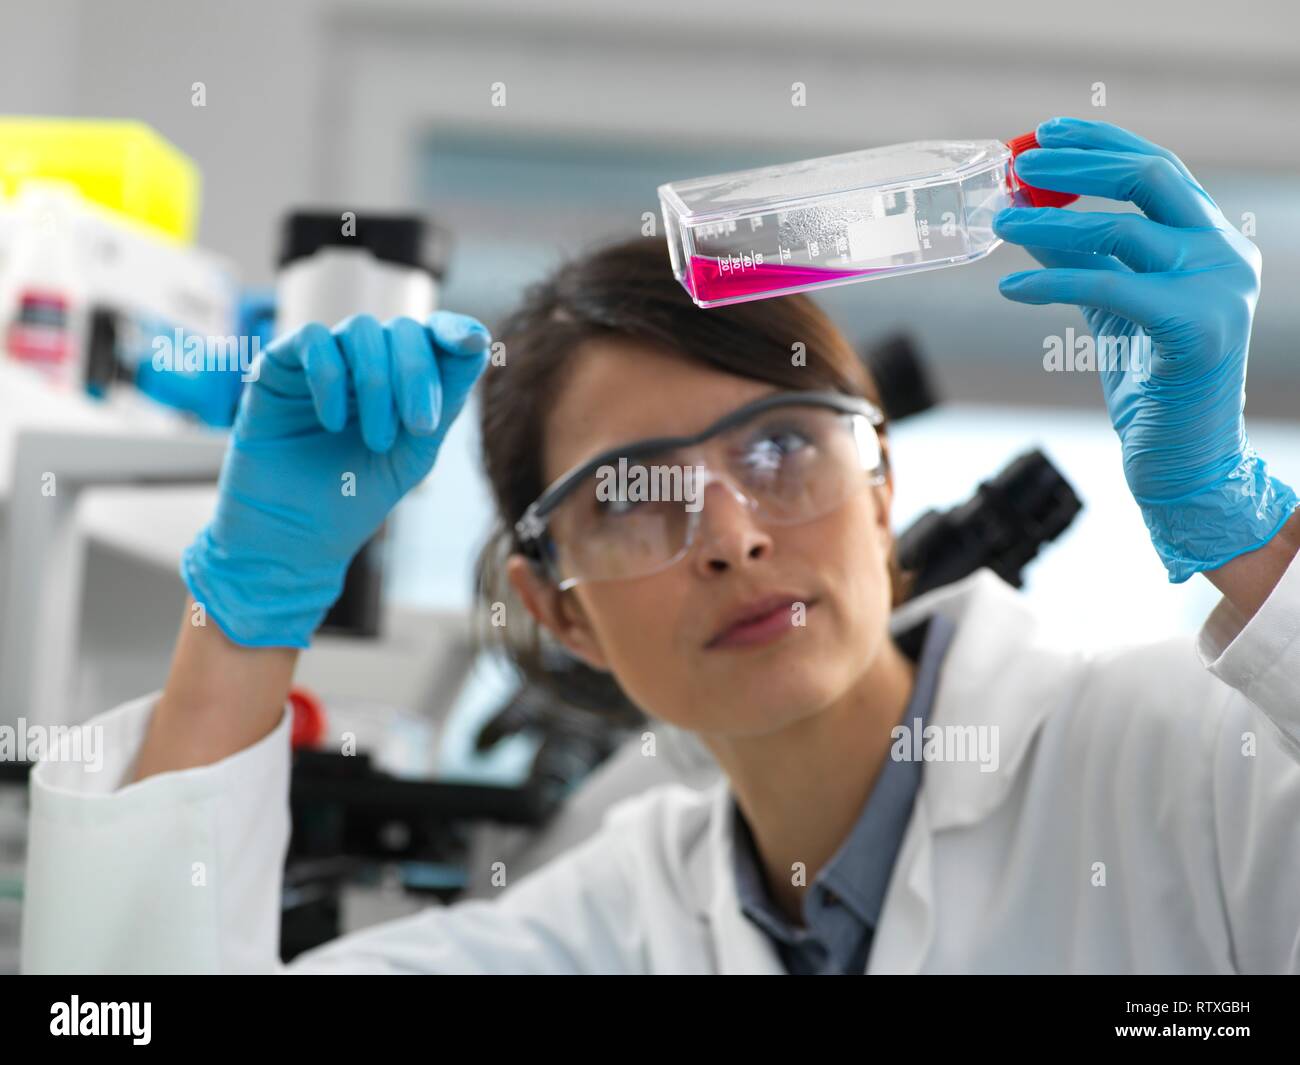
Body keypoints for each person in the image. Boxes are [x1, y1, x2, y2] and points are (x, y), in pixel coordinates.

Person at [21, 118, 1300, 974]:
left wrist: (1248, 532)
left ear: (880, 487)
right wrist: (248, 612)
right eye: (634, 495)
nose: (732, 541)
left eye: (782, 448)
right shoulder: (605, 928)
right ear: (558, 609)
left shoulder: (1180, 765)